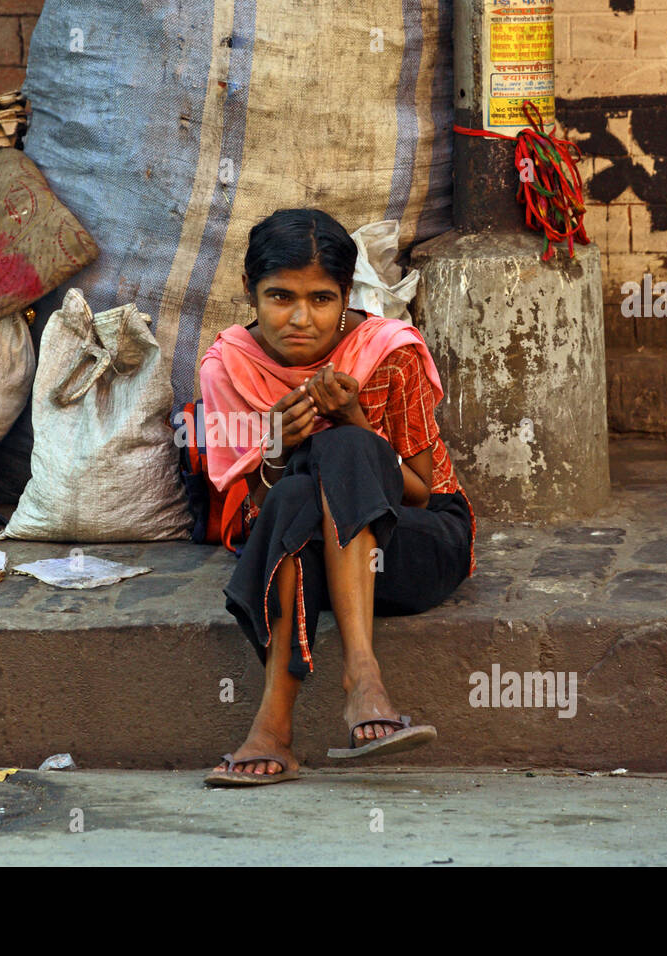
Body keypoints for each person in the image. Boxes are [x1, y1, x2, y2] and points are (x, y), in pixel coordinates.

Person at [198, 208, 476, 786]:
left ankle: (329, 693)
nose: (301, 319)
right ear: (248, 291)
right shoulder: (228, 364)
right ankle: (349, 697)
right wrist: (275, 450)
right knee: (297, 488)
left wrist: (354, 422)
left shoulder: (389, 350)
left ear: (346, 295)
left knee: (344, 447)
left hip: (411, 544)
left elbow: (423, 493)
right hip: (305, 550)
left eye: (322, 299)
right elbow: (255, 511)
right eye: (280, 297)